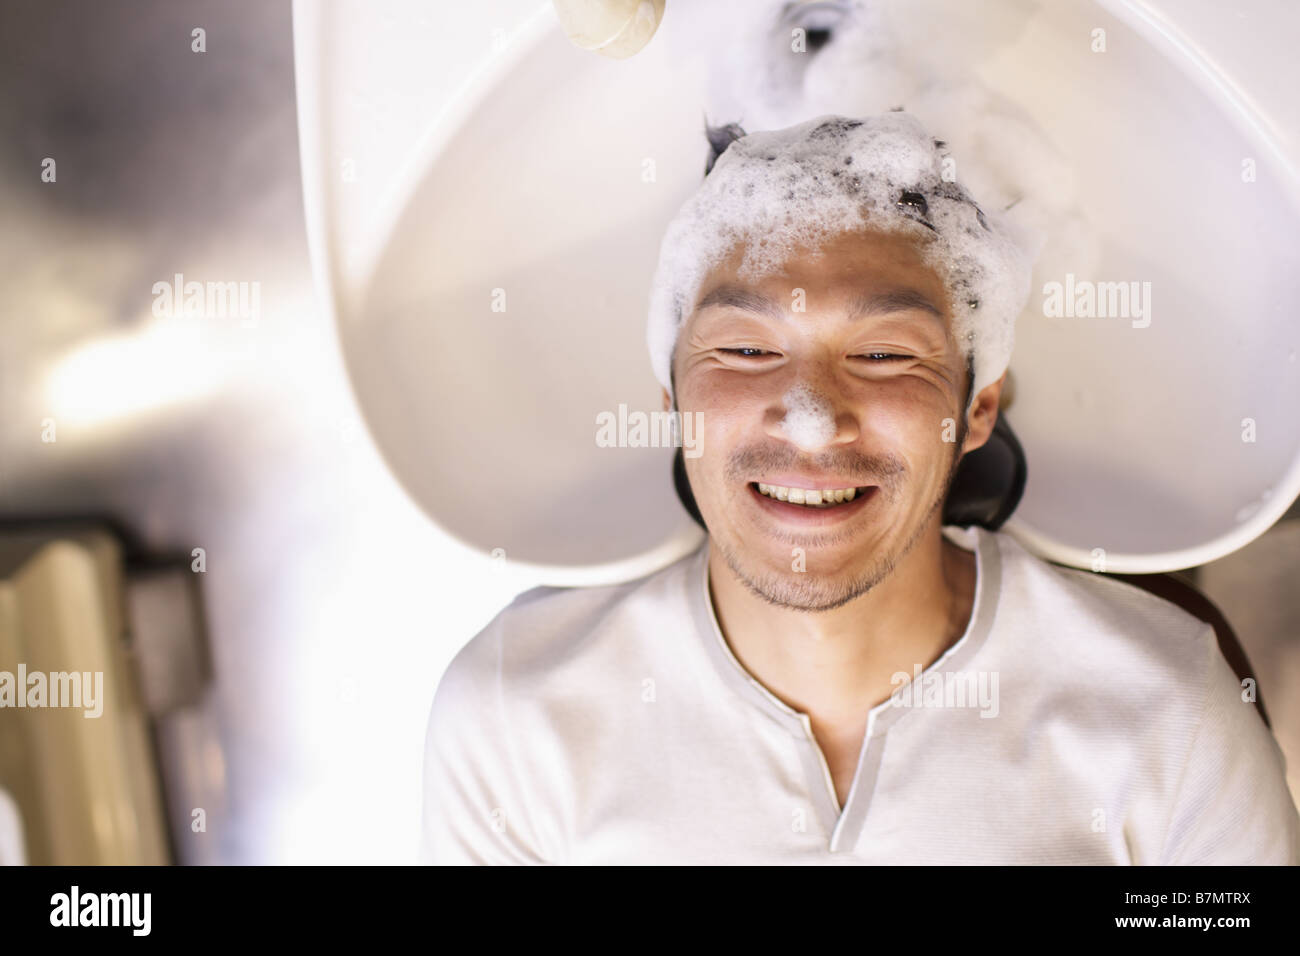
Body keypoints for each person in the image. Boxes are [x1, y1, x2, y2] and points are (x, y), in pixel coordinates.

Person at [419, 113, 1300, 864]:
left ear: (978, 403)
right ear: (673, 395)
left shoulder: (1168, 716)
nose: (810, 420)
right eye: (747, 350)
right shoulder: (516, 717)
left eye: (883, 354)